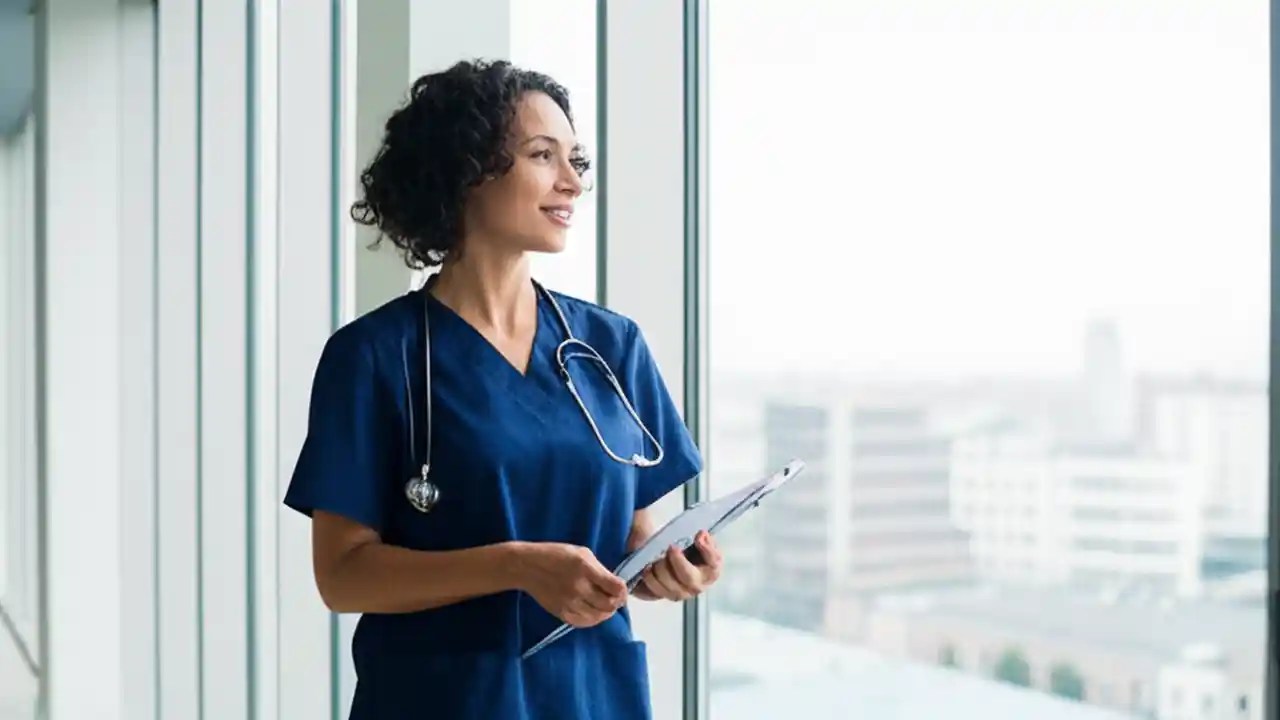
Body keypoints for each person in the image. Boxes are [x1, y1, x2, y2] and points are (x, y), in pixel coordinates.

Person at [283, 58, 723, 719]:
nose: (572, 181)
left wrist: (667, 567)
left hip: (590, 698)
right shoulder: (375, 357)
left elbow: (632, 540)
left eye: (576, 159)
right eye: (543, 155)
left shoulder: (609, 345)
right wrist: (515, 565)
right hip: (441, 701)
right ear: (466, 170)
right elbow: (342, 575)